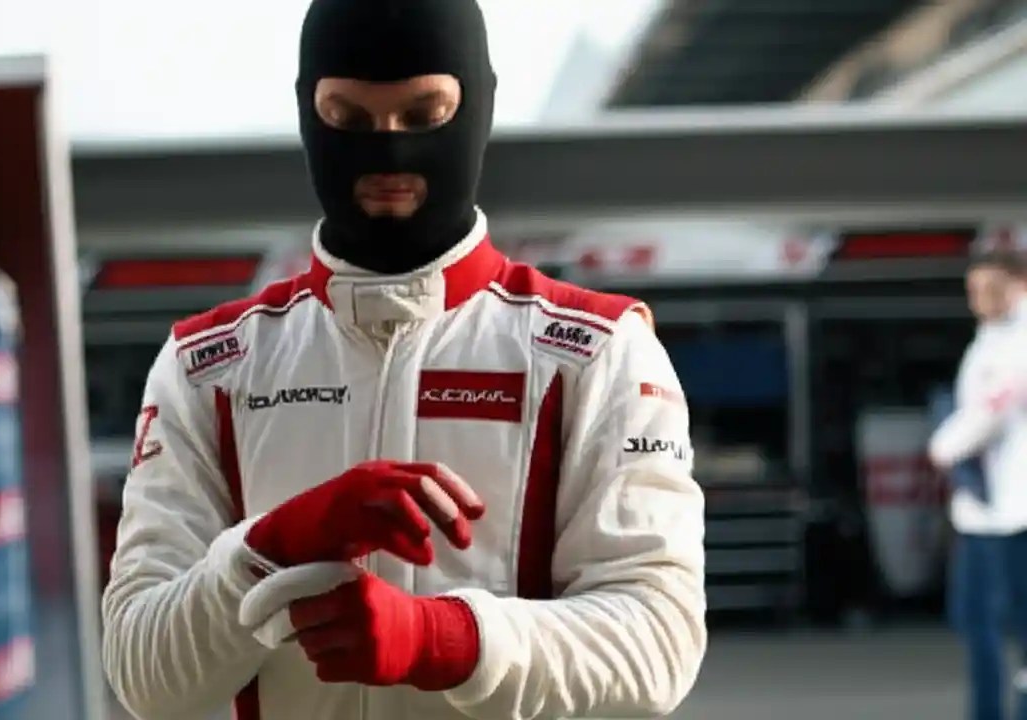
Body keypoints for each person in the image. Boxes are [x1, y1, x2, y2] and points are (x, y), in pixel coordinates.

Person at [100, 1, 707, 719]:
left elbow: (659, 642)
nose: (387, 150)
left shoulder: (595, 351)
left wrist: (441, 639)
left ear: (477, 108)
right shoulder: (211, 366)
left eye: (424, 115)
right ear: (307, 114)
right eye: (348, 118)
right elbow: (143, 677)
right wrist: (266, 548)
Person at [930, 251, 1027, 720]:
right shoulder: (988, 339)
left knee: (1016, 628)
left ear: (1020, 285)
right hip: (984, 511)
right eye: (973, 290)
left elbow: (992, 408)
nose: (978, 299)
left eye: (990, 287)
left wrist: (942, 446)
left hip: (1016, 514)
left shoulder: (1019, 340)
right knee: (975, 622)